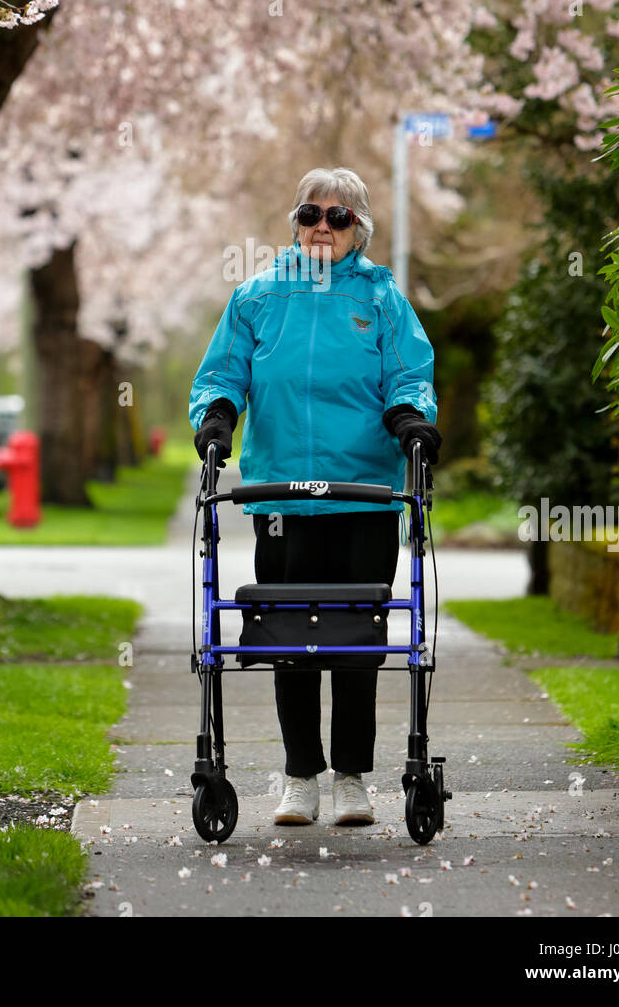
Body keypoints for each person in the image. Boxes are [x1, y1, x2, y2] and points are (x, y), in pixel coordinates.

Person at [189, 167, 441, 826]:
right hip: (282, 501)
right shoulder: (258, 295)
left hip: (363, 494)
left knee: (357, 641)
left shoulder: (382, 298)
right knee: (289, 639)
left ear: (361, 229)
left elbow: (408, 375)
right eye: (310, 214)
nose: (322, 227)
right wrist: (215, 417)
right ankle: (301, 776)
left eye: (339, 217)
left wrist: (412, 419)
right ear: (294, 222)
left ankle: (353, 779)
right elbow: (223, 371)